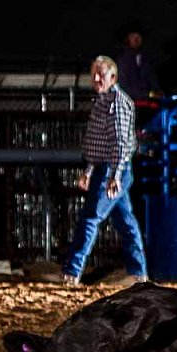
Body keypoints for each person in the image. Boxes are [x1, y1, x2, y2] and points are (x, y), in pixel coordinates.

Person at [60, 56, 147, 285]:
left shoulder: (117, 102)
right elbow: (98, 142)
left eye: (101, 74)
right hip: (108, 167)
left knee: (90, 217)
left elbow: (119, 143)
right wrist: (89, 171)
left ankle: (72, 271)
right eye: (95, 74)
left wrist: (114, 176)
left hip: (112, 168)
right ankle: (139, 273)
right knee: (125, 221)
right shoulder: (102, 101)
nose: (97, 79)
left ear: (112, 77)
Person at [114, 22, 160, 99]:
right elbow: (123, 88)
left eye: (138, 36)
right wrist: (148, 94)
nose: (136, 39)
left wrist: (157, 92)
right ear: (127, 39)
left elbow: (153, 82)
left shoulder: (146, 60)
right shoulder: (122, 61)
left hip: (148, 104)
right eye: (132, 36)